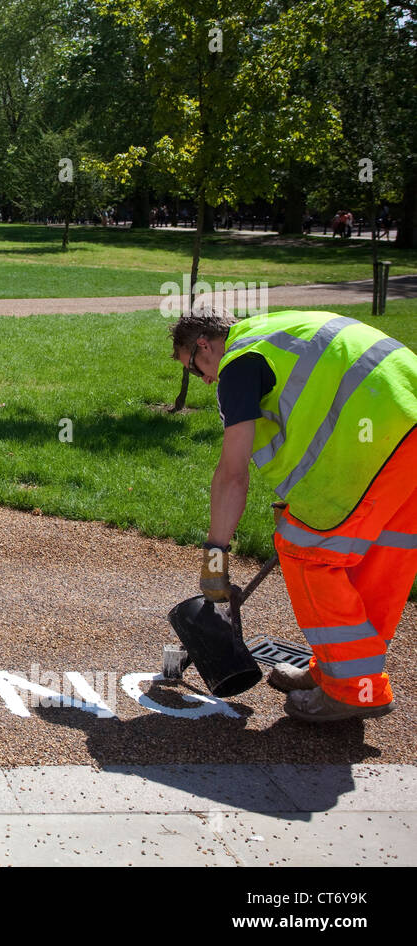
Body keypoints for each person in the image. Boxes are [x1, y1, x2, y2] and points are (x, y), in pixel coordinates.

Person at [171, 307, 417, 722]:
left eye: (195, 369)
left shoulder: (239, 362)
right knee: (377, 557)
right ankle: (348, 677)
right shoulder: (284, 328)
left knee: (305, 552)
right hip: (403, 431)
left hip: (376, 444)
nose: (205, 379)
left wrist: (215, 557)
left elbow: (233, 473)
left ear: (203, 345)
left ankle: (350, 692)